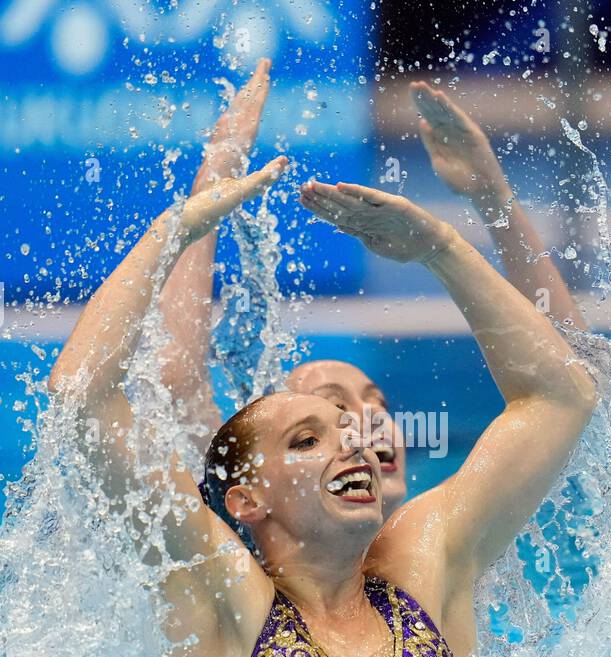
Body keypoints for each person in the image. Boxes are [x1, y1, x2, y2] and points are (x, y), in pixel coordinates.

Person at [50, 70, 598, 657]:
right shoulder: (223, 592)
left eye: (358, 424)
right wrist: (175, 229)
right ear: (247, 501)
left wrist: (441, 247)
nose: (357, 441)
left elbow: (564, 395)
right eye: (309, 437)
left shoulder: (425, 562)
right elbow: (84, 396)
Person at [157, 63, 586, 519]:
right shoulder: (243, 560)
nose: (373, 420)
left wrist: (491, 202)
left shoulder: (441, 546)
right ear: (257, 488)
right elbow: (175, 384)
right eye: (330, 412)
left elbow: (571, 377)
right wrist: (212, 182)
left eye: (378, 403)